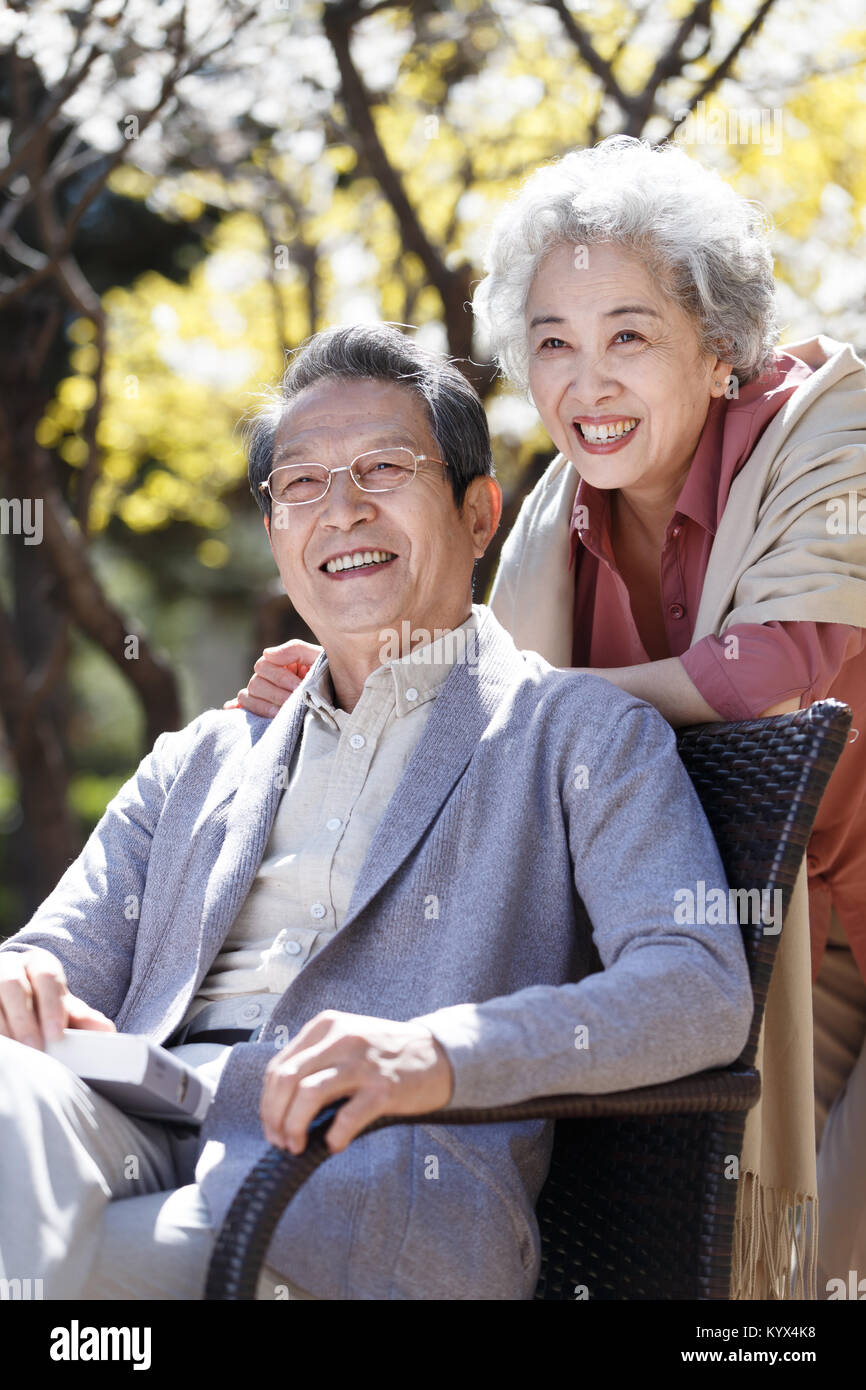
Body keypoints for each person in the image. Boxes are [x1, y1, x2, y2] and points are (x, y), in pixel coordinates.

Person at [231, 139, 866, 1300]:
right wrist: (355, 669)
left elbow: (773, 669)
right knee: (758, 1270)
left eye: (628, 335)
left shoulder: (834, 421)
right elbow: (465, 681)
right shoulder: (553, 519)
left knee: (835, 1254)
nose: (586, 383)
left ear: (715, 345)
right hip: (768, 930)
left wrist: (492, 696)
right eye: (552, 344)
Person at [0, 323, 751, 1302]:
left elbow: (695, 986)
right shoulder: (200, 759)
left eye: (382, 468)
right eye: (302, 485)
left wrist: (431, 1053)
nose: (340, 509)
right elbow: (50, 954)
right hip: (129, 1129)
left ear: (478, 513)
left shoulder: (573, 733)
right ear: (275, 538)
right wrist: (24, 975)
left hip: (356, 1186)